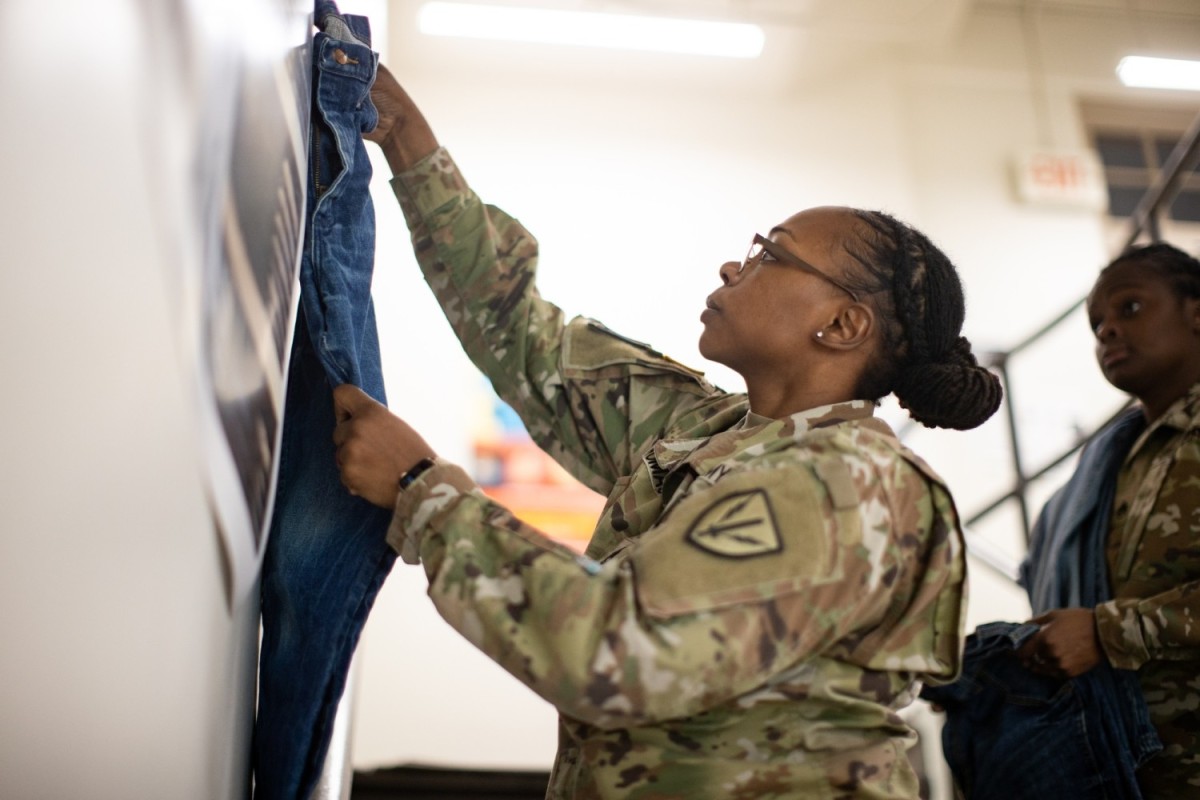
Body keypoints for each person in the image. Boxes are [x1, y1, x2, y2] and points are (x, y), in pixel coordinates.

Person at [331, 62, 1003, 799]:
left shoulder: (849, 483)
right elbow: (522, 334)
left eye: (769, 253)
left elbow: (617, 650)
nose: (732, 264)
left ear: (842, 326)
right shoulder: (709, 429)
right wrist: (411, 146)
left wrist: (423, 493)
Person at [1016, 243, 1200, 798]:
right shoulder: (1106, 467)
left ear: (1197, 313)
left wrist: (1106, 630)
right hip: (1130, 774)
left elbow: (1105, 626)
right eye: (1097, 324)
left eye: (1131, 308)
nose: (1108, 331)